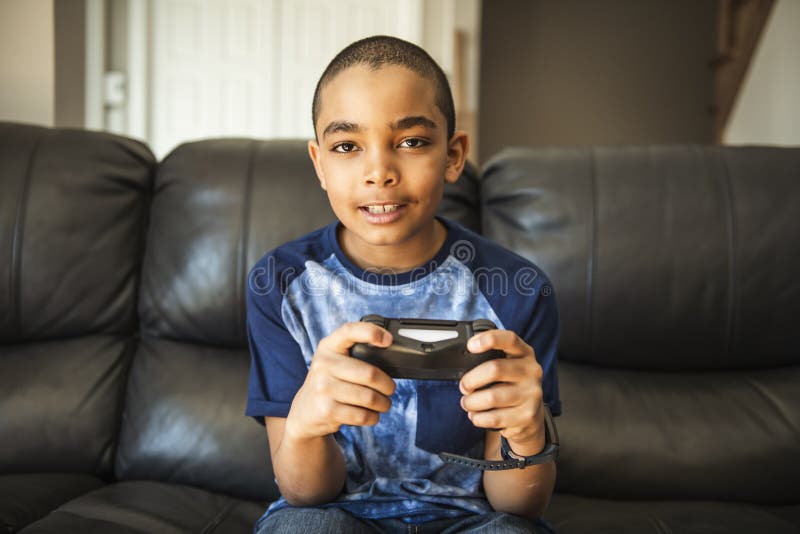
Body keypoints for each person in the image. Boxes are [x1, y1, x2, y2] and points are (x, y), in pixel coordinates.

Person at [246, 35, 561, 534]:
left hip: (471, 519)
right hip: (334, 513)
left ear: (453, 156)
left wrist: (525, 431)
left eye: (411, 142)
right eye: (346, 146)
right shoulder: (281, 283)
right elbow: (305, 493)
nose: (379, 173)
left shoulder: (518, 289)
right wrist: (304, 426)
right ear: (320, 164)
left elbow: (519, 504)